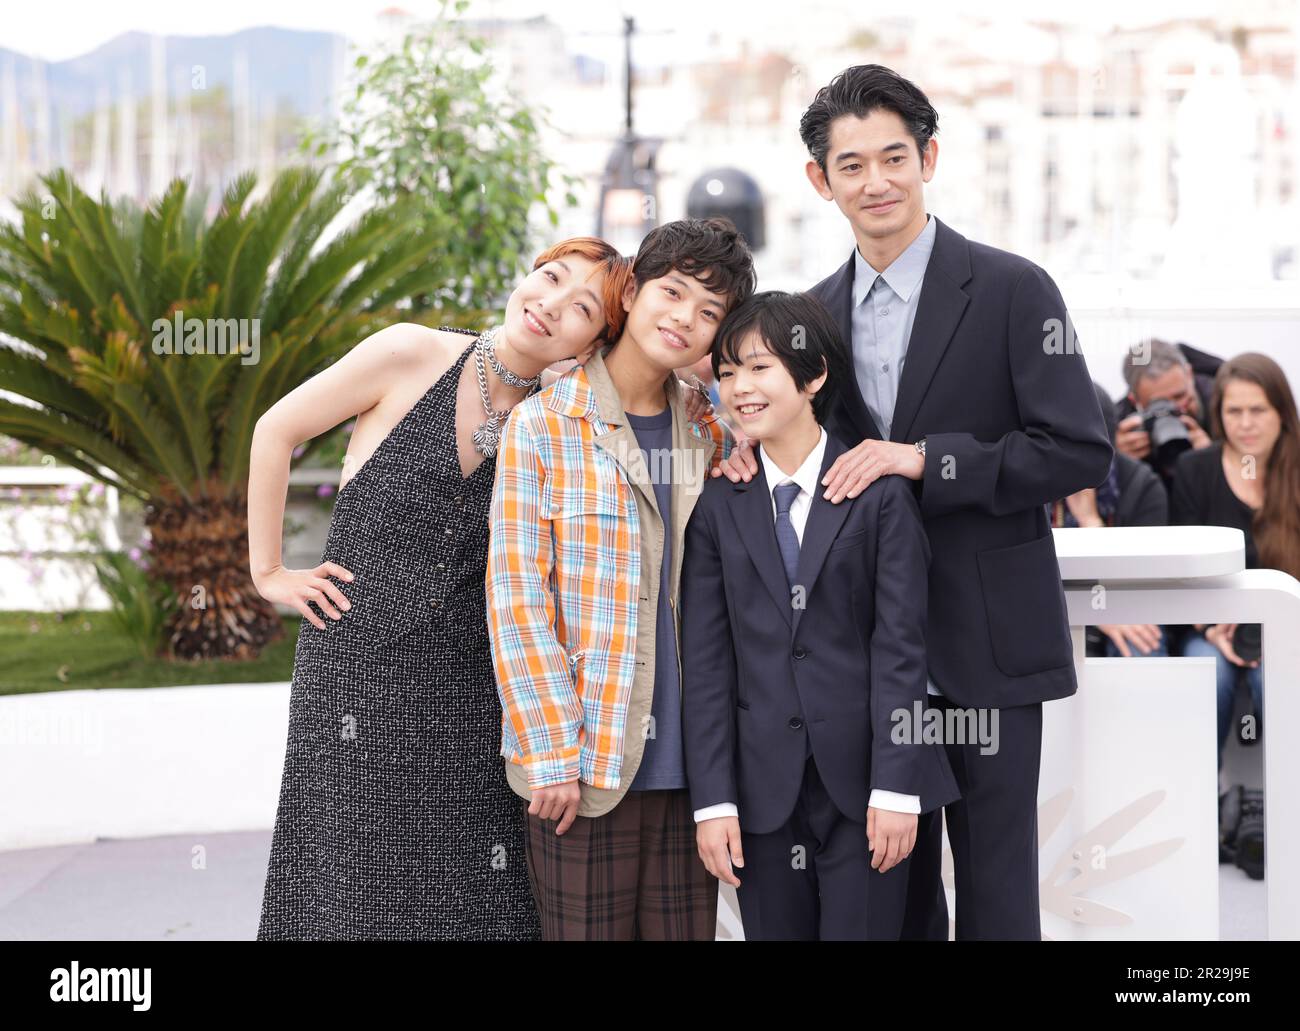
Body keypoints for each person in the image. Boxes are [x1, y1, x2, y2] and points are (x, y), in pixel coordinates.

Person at [715, 65, 1112, 940]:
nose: (876, 181)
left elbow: (1079, 447)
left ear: (928, 157)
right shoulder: (809, 316)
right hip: (858, 656)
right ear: (821, 182)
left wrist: (929, 461)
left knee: (998, 887)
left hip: (989, 644)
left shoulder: (1016, 290)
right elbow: (792, 438)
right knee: (893, 896)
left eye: (894, 156)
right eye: (850, 165)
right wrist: (740, 447)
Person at [249, 237, 632, 940]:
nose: (549, 303)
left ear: (592, 343)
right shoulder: (410, 353)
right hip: (352, 669)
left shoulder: (556, 421)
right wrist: (268, 571)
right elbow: (276, 429)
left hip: (472, 690)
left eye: (580, 306)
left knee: (475, 892)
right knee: (344, 879)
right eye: (548, 277)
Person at [486, 217, 757, 940]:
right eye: (673, 293)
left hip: (695, 767)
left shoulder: (710, 430)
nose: (685, 319)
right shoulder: (544, 425)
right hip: (585, 762)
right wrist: (549, 753)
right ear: (632, 290)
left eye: (709, 313)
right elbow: (517, 599)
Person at [681, 290, 958, 940]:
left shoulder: (878, 494)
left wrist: (896, 787)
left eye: (758, 367)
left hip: (866, 789)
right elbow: (709, 663)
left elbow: (901, 650)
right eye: (725, 373)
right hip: (761, 795)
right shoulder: (719, 503)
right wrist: (714, 802)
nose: (739, 387)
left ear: (814, 375)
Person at [1171, 352, 1300, 770]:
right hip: (1209, 629)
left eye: (1257, 410)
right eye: (1234, 411)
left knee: (1279, 680)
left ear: (1282, 412)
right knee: (1207, 676)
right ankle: (1197, 820)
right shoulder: (1194, 471)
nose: (1245, 423)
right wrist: (1212, 629)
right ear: (1218, 414)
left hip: (1289, 627)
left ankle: (1287, 825)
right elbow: (1179, 573)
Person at [1051, 381, 1171, 659]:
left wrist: (1090, 521)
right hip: (1049, 607)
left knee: (1141, 647)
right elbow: (1020, 576)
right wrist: (1091, 610)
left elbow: (1146, 581)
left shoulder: (1142, 485)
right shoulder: (1031, 482)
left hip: (1125, 603)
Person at [1114, 338, 1219, 489]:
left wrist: (1217, 460)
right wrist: (1116, 461)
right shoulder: (1119, 427)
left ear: (1189, 374)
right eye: (1159, 405)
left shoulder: (1226, 406)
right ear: (1134, 400)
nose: (1174, 410)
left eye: (1180, 396)